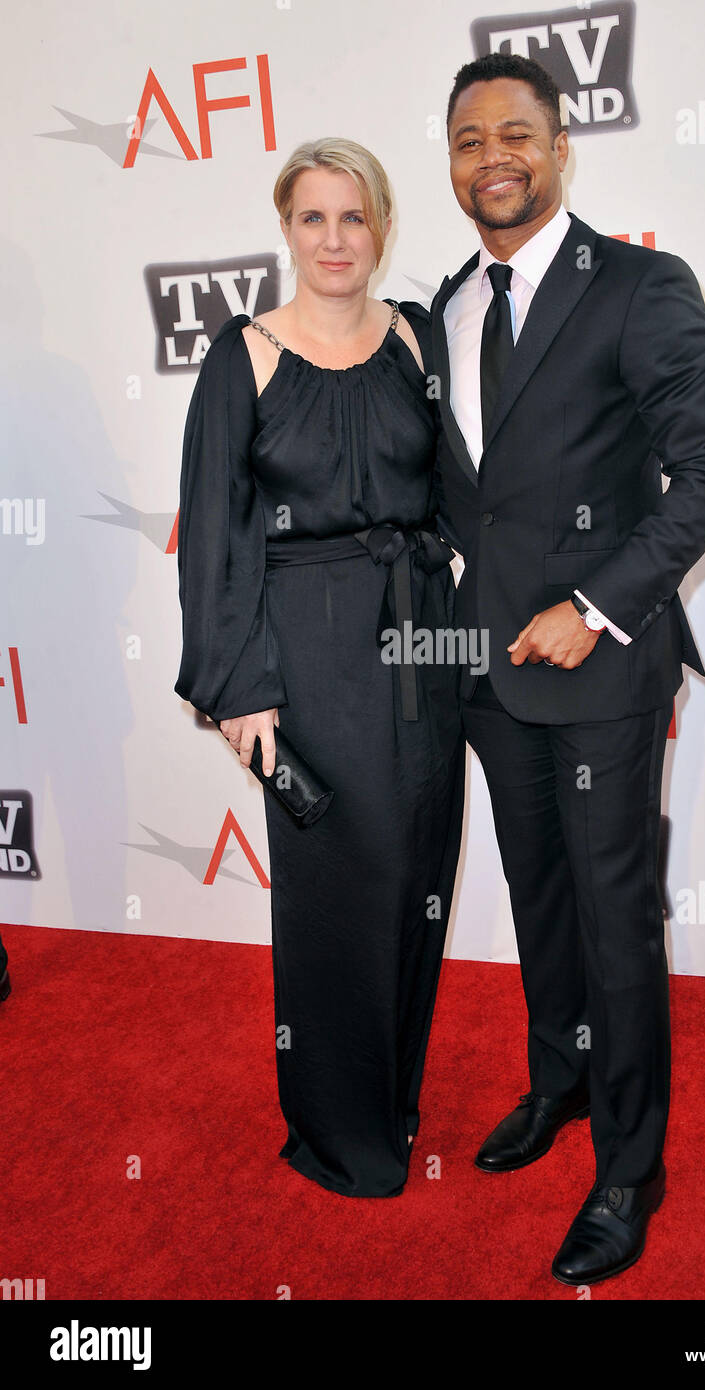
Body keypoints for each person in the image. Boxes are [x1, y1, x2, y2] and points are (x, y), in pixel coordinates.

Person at [430, 54, 705, 1284]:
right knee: (540, 900)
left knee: (617, 921)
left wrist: (599, 605)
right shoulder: (450, 302)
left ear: (562, 148)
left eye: (517, 132)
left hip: (601, 669)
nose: (493, 155)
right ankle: (558, 1083)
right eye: (469, 139)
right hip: (493, 677)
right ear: (449, 161)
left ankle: (630, 1168)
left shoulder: (640, 285)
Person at [174, 138, 465, 1199]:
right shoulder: (243, 354)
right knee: (339, 887)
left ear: (381, 226)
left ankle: (393, 1094)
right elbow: (214, 528)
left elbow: (458, 494)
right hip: (305, 653)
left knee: (420, 872)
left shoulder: (418, 341)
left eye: (354, 217)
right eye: (313, 218)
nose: (335, 239)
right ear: (286, 227)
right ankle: (340, 1131)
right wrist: (237, 685)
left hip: (420, 641)